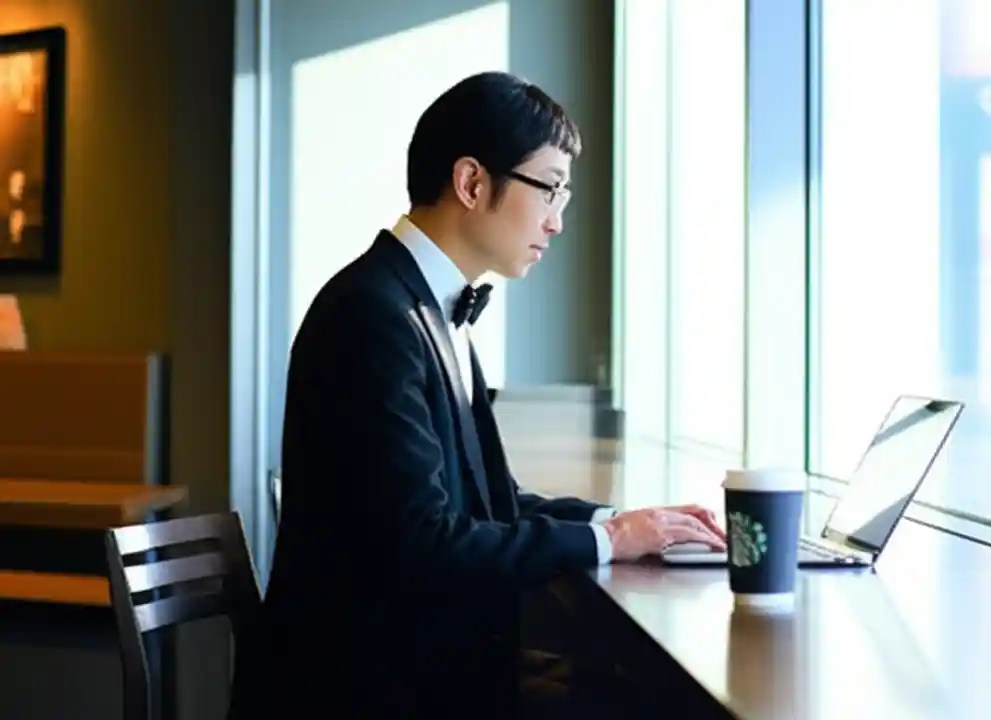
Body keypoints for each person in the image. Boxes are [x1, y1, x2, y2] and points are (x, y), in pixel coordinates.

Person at [229, 72, 726, 718]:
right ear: (470, 183)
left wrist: (624, 525)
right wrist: (615, 539)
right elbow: (423, 543)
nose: (558, 220)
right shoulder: (373, 315)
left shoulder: (423, 307)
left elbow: (491, 501)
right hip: (367, 691)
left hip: (418, 669)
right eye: (550, 188)